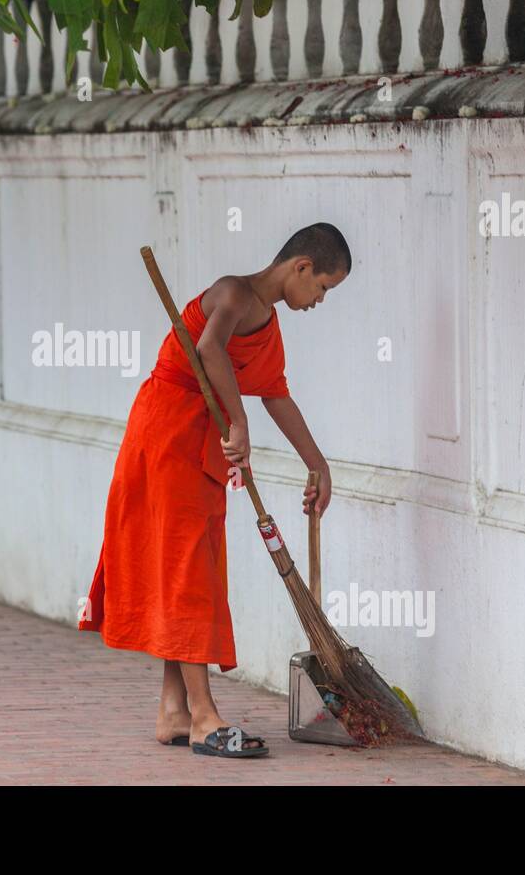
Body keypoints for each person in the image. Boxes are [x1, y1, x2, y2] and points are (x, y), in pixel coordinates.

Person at [79, 222, 351, 758]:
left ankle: (174, 711)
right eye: (322, 287)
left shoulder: (269, 326)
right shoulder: (232, 292)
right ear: (300, 267)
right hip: (168, 437)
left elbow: (276, 394)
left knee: (194, 566)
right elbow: (209, 349)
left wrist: (318, 465)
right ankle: (204, 718)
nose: (319, 300)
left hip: (205, 447)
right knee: (187, 572)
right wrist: (238, 425)